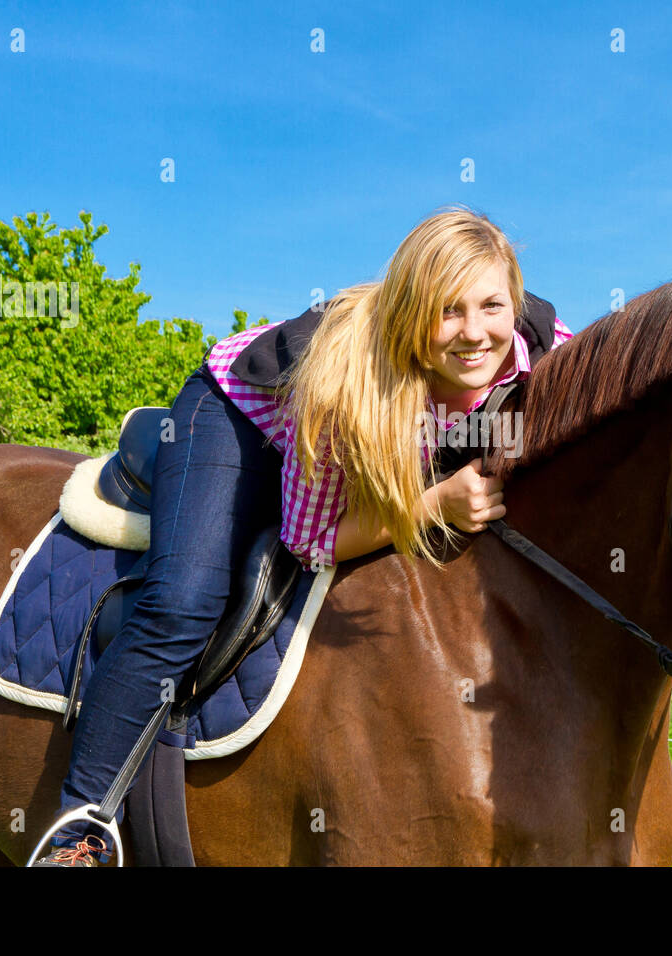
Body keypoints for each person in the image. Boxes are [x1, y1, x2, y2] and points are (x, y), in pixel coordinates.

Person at [32, 205, 573, 865]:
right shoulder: (356, 385)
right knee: (184, 600)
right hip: (238, 418)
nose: (475, 334)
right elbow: (309, 540)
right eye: (446, 311)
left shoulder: (547, 350)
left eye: (491, 306)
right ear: (410, 314)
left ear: (514, 302)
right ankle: (78, 828)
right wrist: (431, 504)